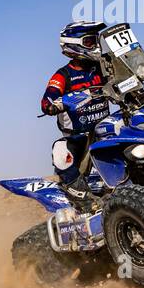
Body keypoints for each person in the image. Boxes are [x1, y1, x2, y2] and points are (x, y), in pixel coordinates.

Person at [40, 20, 109, 214]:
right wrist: (56, 103)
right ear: (73, 44)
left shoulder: (102, 66)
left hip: (105, 127)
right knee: (61, 154)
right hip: (78, 136)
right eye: (89, 41)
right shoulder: (63, 75)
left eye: (96, 40)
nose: (95, 45)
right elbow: (47, 101)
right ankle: (87, 201)